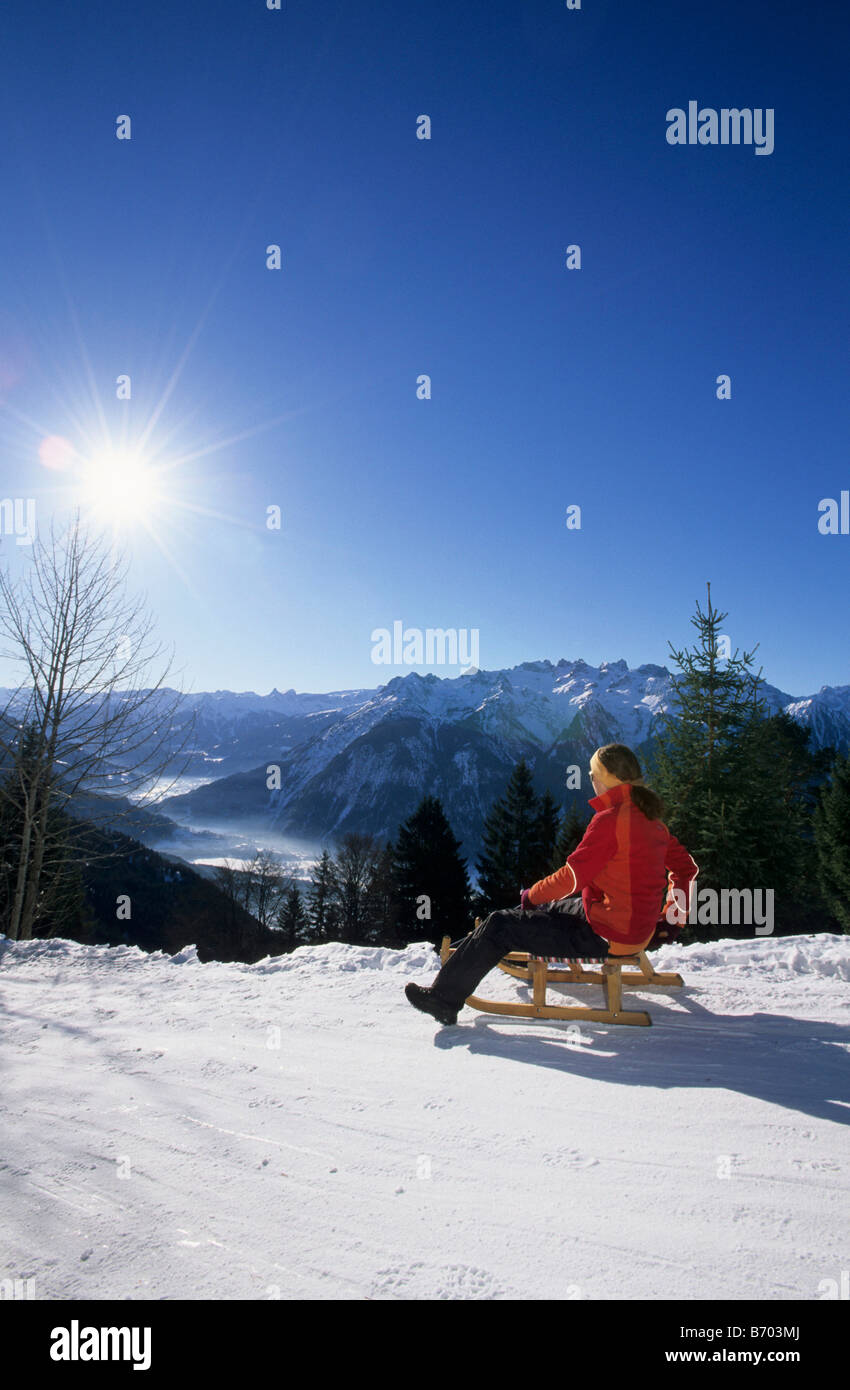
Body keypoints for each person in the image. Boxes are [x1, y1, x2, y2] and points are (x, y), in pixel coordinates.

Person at [405, 742, 698, 1025]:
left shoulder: (609, 821)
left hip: (607, 934)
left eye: (593, 775)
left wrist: (532, 894)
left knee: (500, 924)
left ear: (606, 781)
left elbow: (572, 876)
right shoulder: (653, 822)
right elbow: (685, 870)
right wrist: (672, 918)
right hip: (632, 926)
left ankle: (444, 1000)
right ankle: (483, 949)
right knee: (547, 908)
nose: (590, 781)